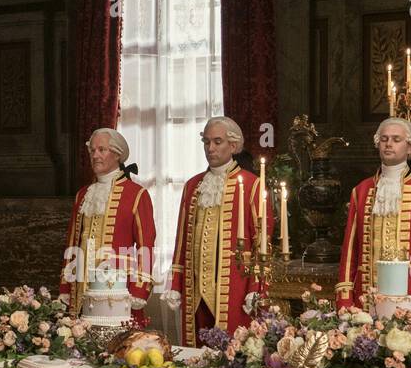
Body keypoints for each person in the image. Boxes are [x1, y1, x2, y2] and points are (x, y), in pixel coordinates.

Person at [163, 116, 273, 346]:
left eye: (217, 142)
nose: (210, 148)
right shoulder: (192, 186)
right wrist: (175, 282)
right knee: (194, 352)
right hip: (194, 288)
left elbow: (262, 243)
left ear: (233, 146)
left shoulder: (252, 185)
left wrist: (257, 287)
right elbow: (181, 239)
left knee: (234, 352)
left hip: (235, 286)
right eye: (206, 142)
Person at [335, 117, 411, 314]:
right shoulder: (361, 191)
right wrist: (345, 302)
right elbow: (349, 253)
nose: (389, 144)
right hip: (364, 302)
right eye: (384, 139)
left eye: (396, 139)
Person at [58, 129, 156, 325]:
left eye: (101, 149)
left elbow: (146, 246)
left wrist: (139, 289)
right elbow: (72, 245)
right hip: (81, 289)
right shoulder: (83, 194)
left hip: (118, 291)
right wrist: (65, 287)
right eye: (92, 150)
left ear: (117, 154)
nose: (95, 155)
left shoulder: (136, 194)